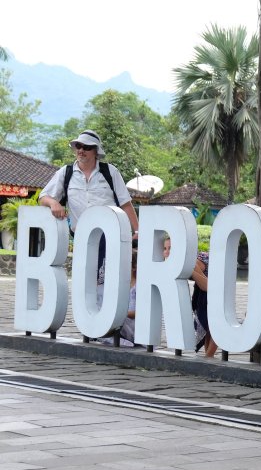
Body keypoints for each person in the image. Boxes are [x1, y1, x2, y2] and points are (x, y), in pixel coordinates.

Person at [38, 131, 138, 271]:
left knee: (108, 278)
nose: (81, 150)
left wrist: (138, 231)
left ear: (96, 151)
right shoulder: (65, 173)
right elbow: (43, 197)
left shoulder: (110, 172)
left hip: (110, 237)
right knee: (85, 278)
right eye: (78, 146)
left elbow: (125, 204)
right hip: (82, 238)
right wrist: (53, 203)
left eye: (87, 147)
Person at [162, 237, 216, 357]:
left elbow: (207, 286)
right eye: (164, 248)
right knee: (207, 323)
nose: (167, 252)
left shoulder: (193, 262)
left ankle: (209, 356)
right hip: (203, 289)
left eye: (170, 248)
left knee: (212, 321)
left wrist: (189, 270)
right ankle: (208, 355)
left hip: (212, 286)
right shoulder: (172, 263)